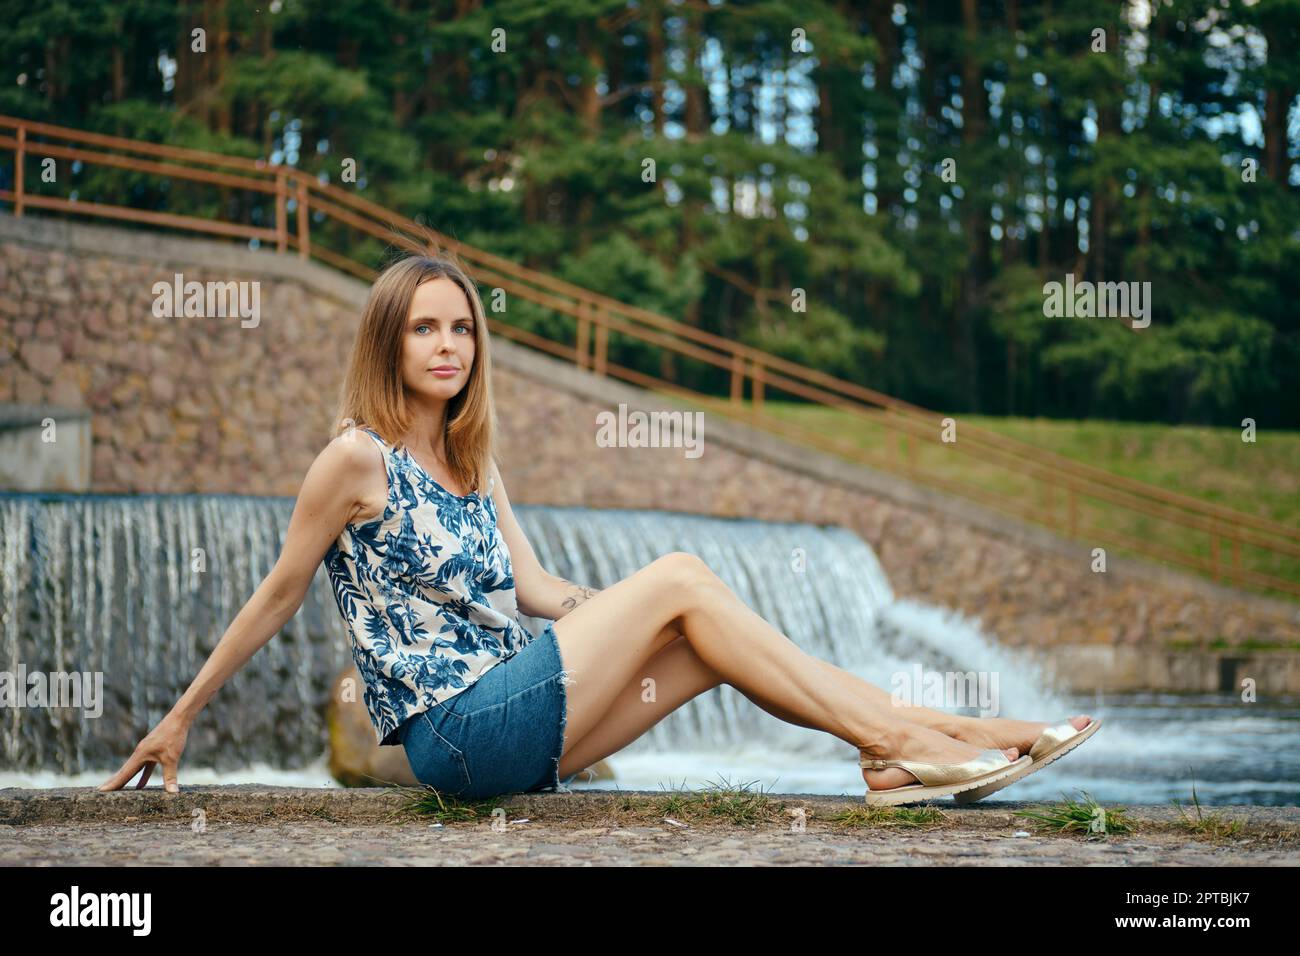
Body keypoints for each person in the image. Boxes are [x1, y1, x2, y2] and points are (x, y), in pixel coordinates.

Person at [98, 250, 1096, 804]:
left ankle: (937, 734)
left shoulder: (472, 457)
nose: (447, 345)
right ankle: (904, 738)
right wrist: (181, 715)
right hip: (455, 733)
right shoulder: (356, 458)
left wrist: (623, 613)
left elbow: (536, 589)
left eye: (461, 327)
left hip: (519, 730)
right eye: (423, 327)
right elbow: (277, 591)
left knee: (702, 641)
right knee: (678, 576)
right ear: (387, 342)